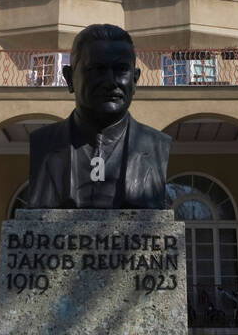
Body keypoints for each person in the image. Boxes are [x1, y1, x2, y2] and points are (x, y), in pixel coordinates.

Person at [27, 23, 170, 209]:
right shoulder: (43, 143)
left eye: (121, 70)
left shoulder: (156, 145)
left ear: (135, 80)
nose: (111, 82)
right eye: (97, 70)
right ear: (70, 78)